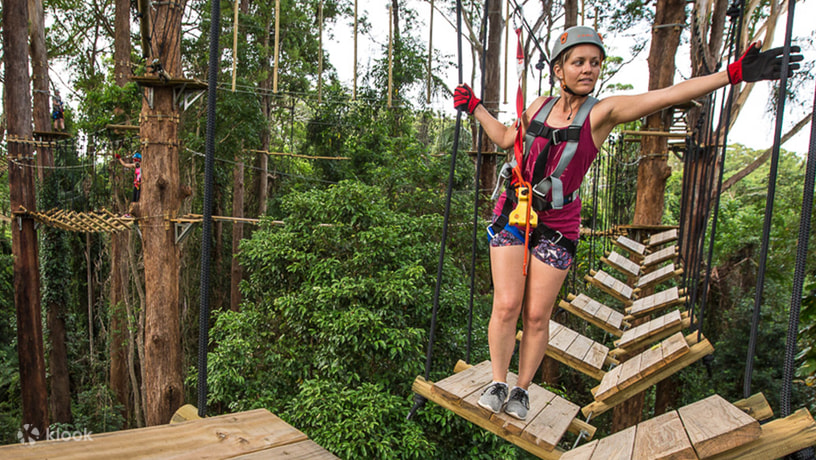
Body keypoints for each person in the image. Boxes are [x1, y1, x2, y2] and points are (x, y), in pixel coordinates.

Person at [453, 25, 802, 420]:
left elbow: (665, 96)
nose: (588, 69)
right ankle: (499, 380)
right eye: (579, 62)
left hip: (559, 221)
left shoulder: (603, 113)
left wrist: (731, 75)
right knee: (506, 304)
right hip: (514, 210)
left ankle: (521, 390)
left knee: (536, 315)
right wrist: (477, 107)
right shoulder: (536, 107)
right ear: (559, 69)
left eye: (595, 63)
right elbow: (504, 138)